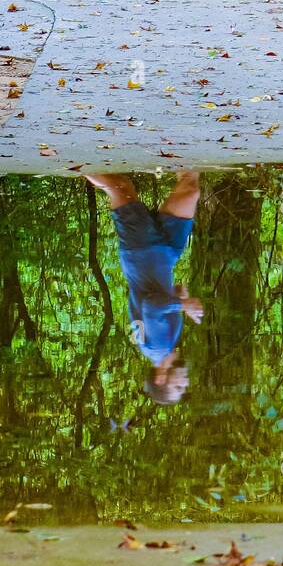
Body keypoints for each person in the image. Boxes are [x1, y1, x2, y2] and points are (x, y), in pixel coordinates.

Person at [86, 169, 203, 405]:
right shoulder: (162, 346)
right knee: (190, 190)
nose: (186, 382)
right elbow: (152, 300)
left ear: (161, 378)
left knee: (118, 187)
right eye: (184, 387)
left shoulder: (158, 347)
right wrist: (180, 295)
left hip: (142, 251)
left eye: (178, 386)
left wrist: (182, 305)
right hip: (165, 254)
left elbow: (151, 306)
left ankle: (73, 159)